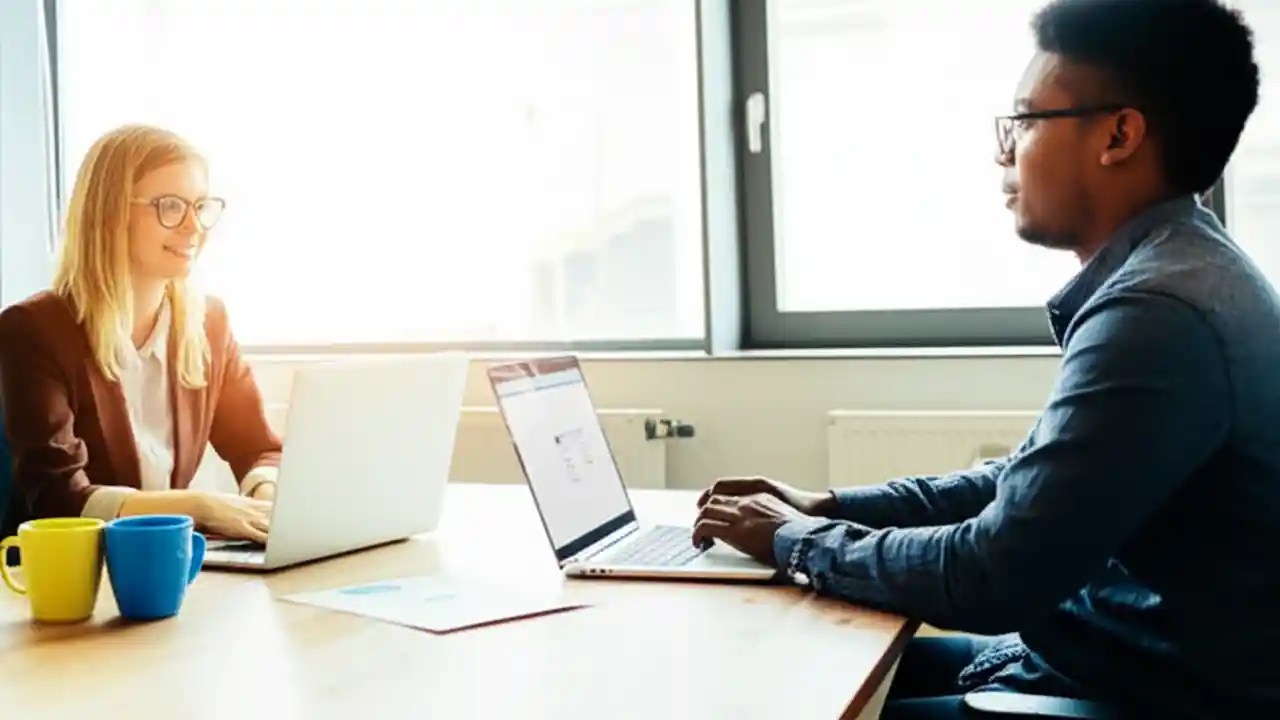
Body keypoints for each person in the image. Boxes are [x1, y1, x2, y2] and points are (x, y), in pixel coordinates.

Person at [693, 1, 1276, 717]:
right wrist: (834, 507)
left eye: (1027, 120)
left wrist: (796, 540)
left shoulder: (1160, 311)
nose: (1005, 152)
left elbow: (993, 574)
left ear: (1120, 134)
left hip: (1136, 694)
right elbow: (1027, 483)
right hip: (1093, 658)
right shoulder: (1186, 270)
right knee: (787, 671)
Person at [0, 124, 279, 544]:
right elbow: (58, 497)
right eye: (170, 206)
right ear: (110, 213)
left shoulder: (209, 323)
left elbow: (259, 448)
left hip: (166, 564)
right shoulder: (34, 329)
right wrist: (200, 507)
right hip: (66, 577)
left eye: (200, 206)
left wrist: (263, 501)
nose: (194, 227)